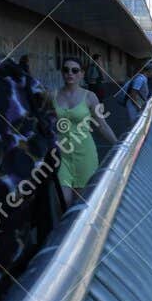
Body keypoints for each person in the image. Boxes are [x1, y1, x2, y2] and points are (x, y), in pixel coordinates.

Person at [50, 57, 116, 205]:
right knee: (64, 201)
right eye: (66, 70)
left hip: (85, 154)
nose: (70, 74)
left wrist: (118, 144)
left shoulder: (90, 97)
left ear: (81, 73)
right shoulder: (52, 96)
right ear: (62, 73)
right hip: (61, 157)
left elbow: (102, 125)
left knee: (81, 204)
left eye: (74, 70)